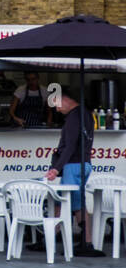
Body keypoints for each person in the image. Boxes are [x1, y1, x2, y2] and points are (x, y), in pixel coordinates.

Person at [46, 91, 103, 256]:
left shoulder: (73, 118)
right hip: (85, 163)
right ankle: (79, 239)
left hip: (73, 165)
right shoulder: (86, 114)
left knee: (68, 202)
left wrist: (57, 168)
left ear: (65, 100)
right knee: (74, 202)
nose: (57, 110)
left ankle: (81, 240)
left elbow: (70, 146)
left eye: (56, 105)